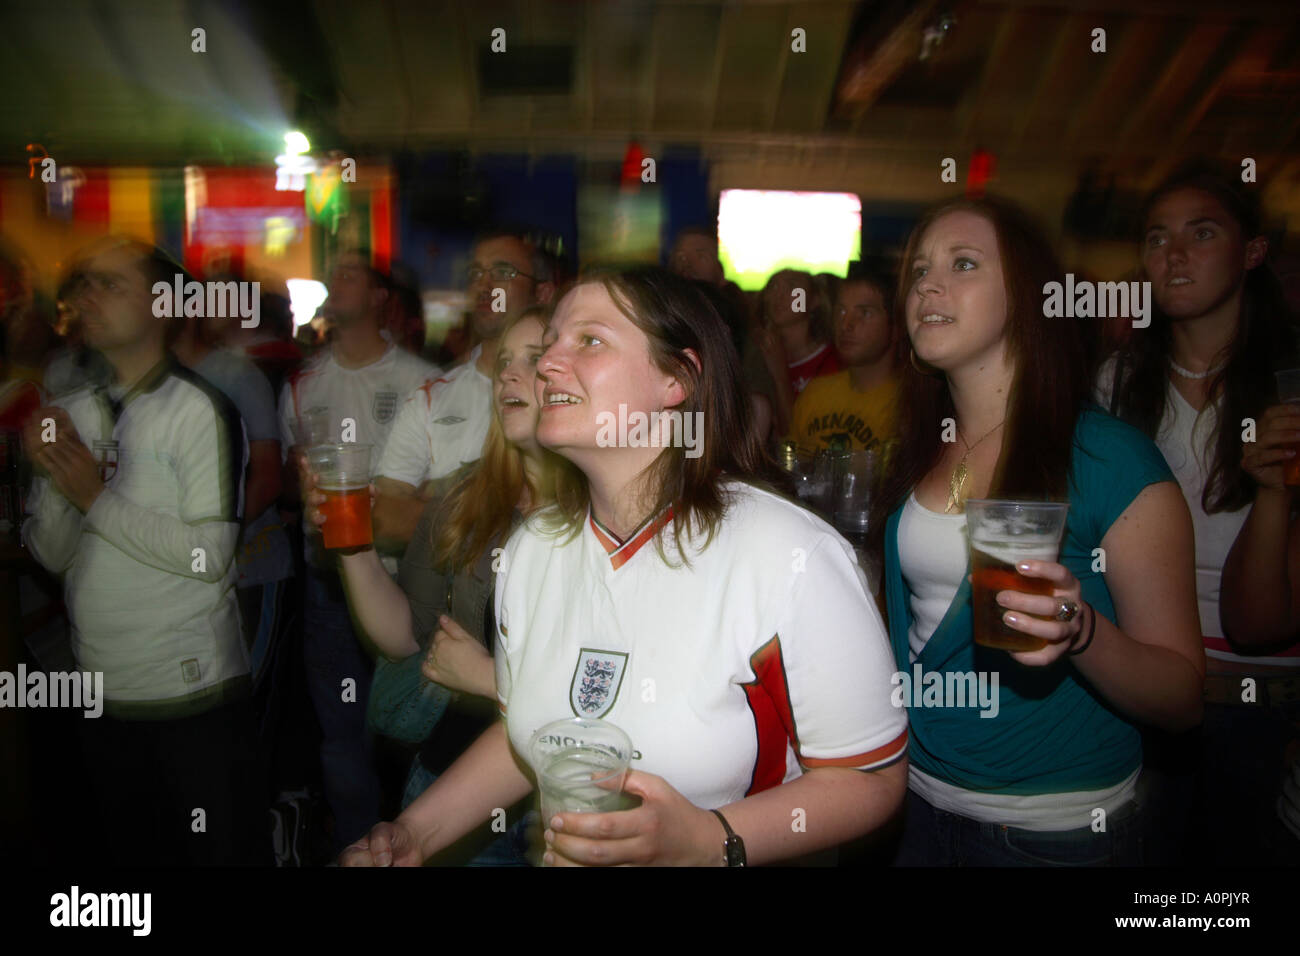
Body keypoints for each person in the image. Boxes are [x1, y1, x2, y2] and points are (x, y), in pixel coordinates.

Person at [341, 266, 908, 868]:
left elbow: (869, 780)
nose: (548, 363)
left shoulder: (791, 557)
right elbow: (528, 736)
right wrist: (416, 833)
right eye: (551, 341)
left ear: (676, 380)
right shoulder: (531, 550)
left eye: (589, 340)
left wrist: (706, 840)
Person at [870, 196, 1203, 866]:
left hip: (1055, 836)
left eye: (962, 264)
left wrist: (1079, 629)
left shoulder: (1110, 460)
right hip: (918, 808)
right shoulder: (918, 452)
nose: (927, 285)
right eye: (918, 272)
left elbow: (1182, 697)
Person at [21, 238, 266, 865]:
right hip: (101, 689)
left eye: (111, 285)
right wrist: (55, 480)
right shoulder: (73, 411)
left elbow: (209, 558)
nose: (87, 298)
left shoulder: (200, 410)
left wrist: (94, 498)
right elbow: (50, 557)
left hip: (191, 696)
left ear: (163, 305)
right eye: (84, 284)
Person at [306, 307, 558, 864]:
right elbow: (406, 636)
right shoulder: (465, 497)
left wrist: (492, 680)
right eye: (504, 361)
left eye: (535, 360)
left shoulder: (613, 511)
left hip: (566, 796)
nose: (507, 374)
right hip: (455, 778)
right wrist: (353, 546)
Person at [1101, 162, 1300, 865]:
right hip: (1138, 695)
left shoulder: (1289, 390)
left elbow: (1268, 617)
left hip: (1261, 706)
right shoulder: (1114, 384)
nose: (1174, 254)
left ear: (1252, 252)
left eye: (1202, 232)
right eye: (1158, 238)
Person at [277, 249, 439, 856]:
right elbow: (296, 489)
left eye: (350, 273)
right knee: (340, 736)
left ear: (379, 295)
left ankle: (415, 841)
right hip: (328, 587)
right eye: (332, 273)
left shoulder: (421, 380)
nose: (334, 281)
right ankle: (356, 848)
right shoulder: (302, 382)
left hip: (410, 586)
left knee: (412, 729)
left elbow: (437, 495)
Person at [372, 229, 556, 550]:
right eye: (475, 274)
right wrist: (506, 512)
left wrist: (443, 495)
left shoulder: (566, 391)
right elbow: (385, 517)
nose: (484, 285)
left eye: (502, 273)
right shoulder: (432, 396)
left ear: (542, 293)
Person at [788, 267, 900, 457]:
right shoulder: (815, 393)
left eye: (864, 313)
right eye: (840, 311)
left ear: (896, 325)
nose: (846, 324)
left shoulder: (909, 406)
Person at [760, 268, 841, 401]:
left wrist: (780, 376)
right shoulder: (757, 356)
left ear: (815, 299)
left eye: (792, 286)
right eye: (773, 285)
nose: (778, 294)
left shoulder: (833, 362)